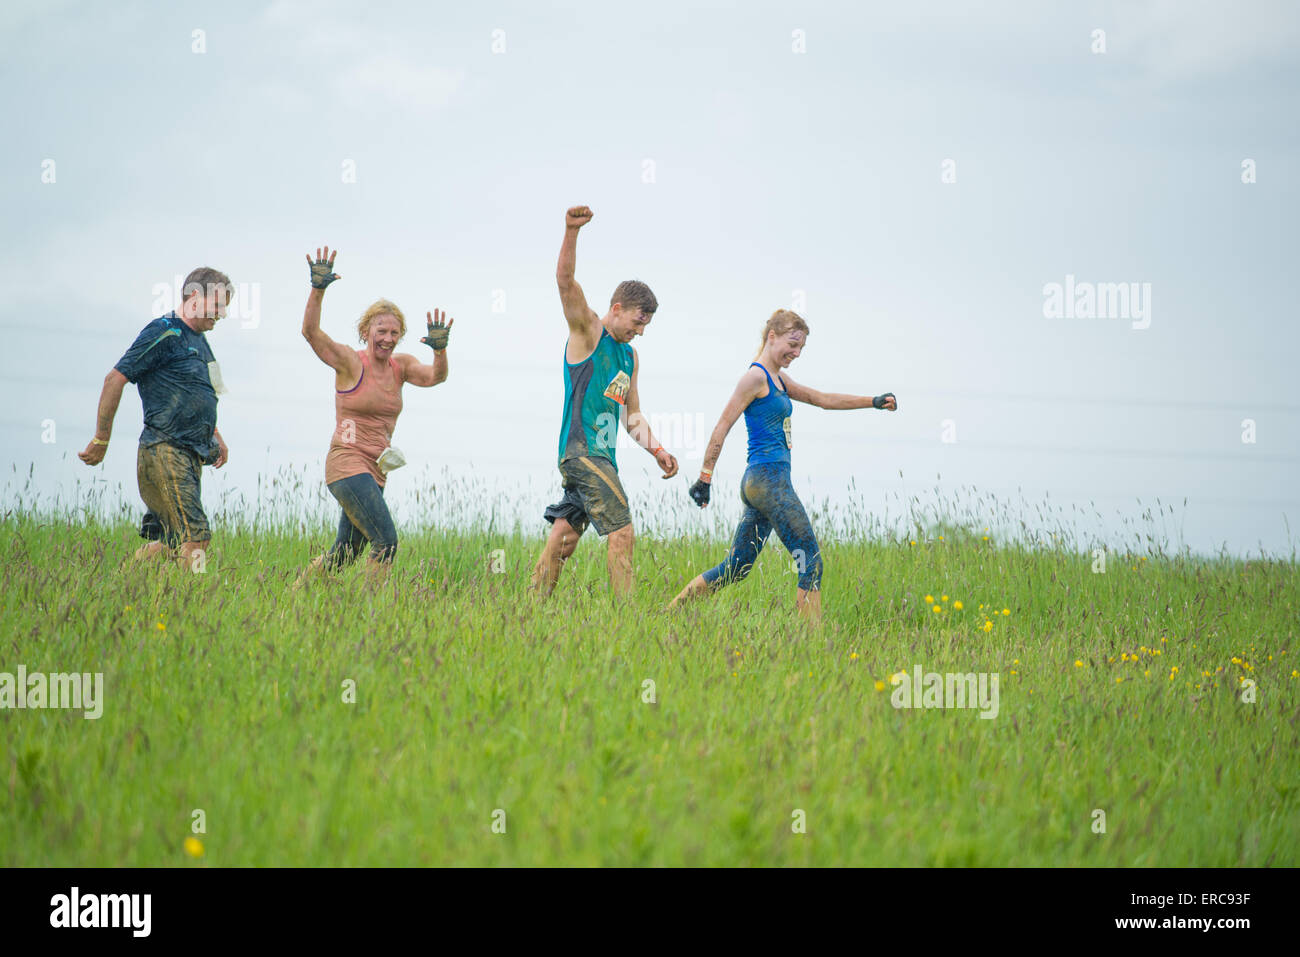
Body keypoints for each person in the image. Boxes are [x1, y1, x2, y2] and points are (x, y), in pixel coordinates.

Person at [669, 309, 897, 621]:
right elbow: (723, 424)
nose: (797, 352)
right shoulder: (755, 377)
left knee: (737, 567)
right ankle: (811, 645)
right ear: (771, 336)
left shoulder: (779, 379)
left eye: (802, 347)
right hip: (768, 480)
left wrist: (871, 401)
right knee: (810, 561)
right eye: (792, 343)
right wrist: (704, 477)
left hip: (762, 483)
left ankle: (667, 614)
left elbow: (822, 399)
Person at [530, 205, 679, 600]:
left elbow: (633, 418)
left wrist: (657, 449)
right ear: (617, 309)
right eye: (637, 321)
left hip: (604, 457)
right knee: (622, 531)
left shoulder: (629, 357)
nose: (641, 331)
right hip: (583, 453)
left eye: (646, 324)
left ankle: (527, 609)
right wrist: (571, 230)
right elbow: (564, 282)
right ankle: (626, 619)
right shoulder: (589, 332)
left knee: (563, 539)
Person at [297, 246, 452, 585]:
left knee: (345, 552)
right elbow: (311, 333)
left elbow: (436, 377)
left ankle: (294, 596)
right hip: (347, 463)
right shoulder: (350, 362)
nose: (388, 338)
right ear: (366, 331)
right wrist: (318, 289)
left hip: (376, 470)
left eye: (394, 333)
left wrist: (440, 350)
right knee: (386, 542)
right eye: (381, 331)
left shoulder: (402, 366)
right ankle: (369, 614)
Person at [79, 267, 233, 569]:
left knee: (172, 540)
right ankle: (193, 599)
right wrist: (101, 439)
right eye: (217, 306)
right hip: (165, 449)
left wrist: (216, 435)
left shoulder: (200, 340)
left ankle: (121, 580)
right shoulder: (164, 330)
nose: (222, 315)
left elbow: (200, 392)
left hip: (190, 452)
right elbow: (115, 379)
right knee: (197, 536)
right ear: (193, 297)